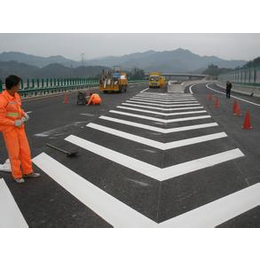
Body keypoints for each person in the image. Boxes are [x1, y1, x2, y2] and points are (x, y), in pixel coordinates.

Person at [0, 75, 40, 183]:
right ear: (13, 86)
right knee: (14, 153)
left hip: (20, 128)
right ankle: (17, 175)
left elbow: (18, 108)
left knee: (25, 151)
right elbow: (1, 118)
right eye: (18, 85)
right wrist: (13, 122)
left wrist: (23, 113)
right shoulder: (2, 99)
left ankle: (28, 172)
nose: (19, 87)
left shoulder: (16, 95)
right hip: (9, 130)